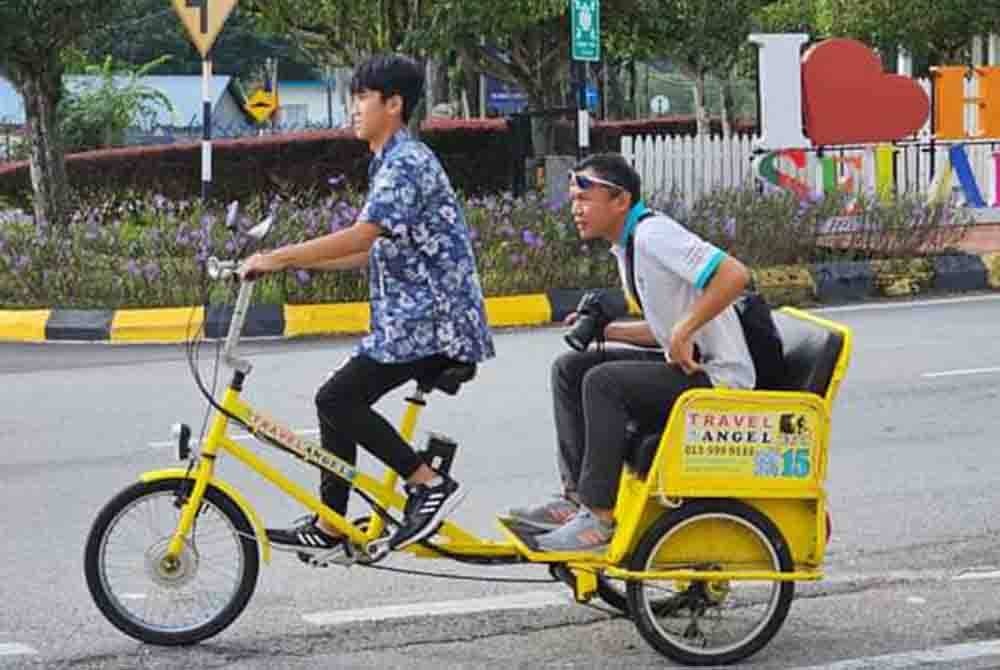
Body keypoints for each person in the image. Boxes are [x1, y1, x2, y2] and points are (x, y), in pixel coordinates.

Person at [240, 54, 495, 557]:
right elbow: (368, 249)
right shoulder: (389, 162)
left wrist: (278, 255)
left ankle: (426, 483)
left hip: (436, 324)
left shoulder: (408, 163)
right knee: (333, 400)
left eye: (362, 97)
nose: (353, 108)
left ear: (394, 104)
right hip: (411, 321)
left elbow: (363, 233)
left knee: (337, 399)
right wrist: (286, 265)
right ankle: (334, 524)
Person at [508, 153, 754, 552]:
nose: (576, 210)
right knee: (571, 368)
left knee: (604, 383)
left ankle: (598, 518)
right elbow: (663, 332)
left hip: (719, 377)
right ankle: (574, 500)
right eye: (573, 200)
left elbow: (734, 275)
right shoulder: (628, 246)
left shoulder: (654, 235)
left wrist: (684, 328)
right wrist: (607, 330)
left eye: (585, 200)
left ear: (620, 200)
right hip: (687, 365)